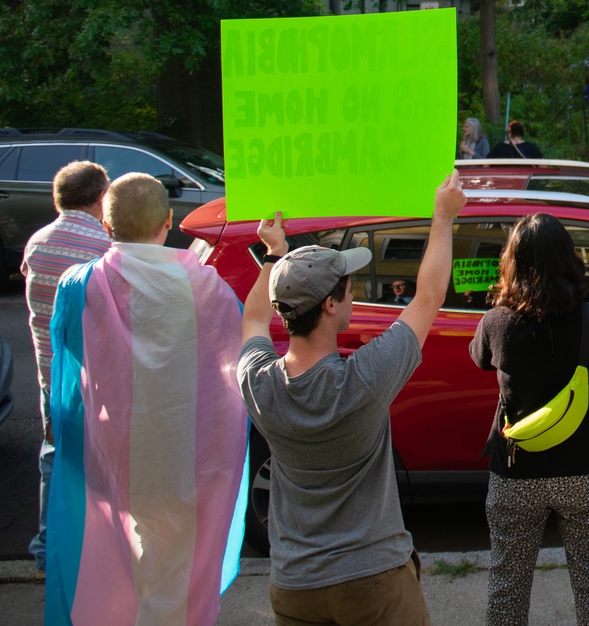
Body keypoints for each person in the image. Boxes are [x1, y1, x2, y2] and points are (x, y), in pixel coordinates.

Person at [238, 172, 467, 625]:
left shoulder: (258, 382)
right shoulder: (363, 379)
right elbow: (429, 297)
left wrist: (273, 256)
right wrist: (443, 219)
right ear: (330, 305)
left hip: (295, 584)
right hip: (373, 581)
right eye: (346, 286)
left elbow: (252, 321)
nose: (351, 293)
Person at [46, 173, 248, 626]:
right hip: (186, 450)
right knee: (178, 553)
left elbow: (67, 369)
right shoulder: (207, 286)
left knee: (122, 550)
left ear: (106, 224)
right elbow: (233, 359)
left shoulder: (79, 284)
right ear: (169, 220)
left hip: (114, 448)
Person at [469, 213, 589, 626]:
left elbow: (479, 358)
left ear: (512, 263)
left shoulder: (497, 322)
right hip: (585, 472)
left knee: (507, 586)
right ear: (570, 259)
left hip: (516, 471)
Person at [20, 160, 111, 578]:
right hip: (89, 377)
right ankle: (88, 553)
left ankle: (47, 550)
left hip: (49, 373)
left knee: (54, 457)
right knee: (96, 463)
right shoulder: (102, 248)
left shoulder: (37, 242)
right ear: (100, 197)